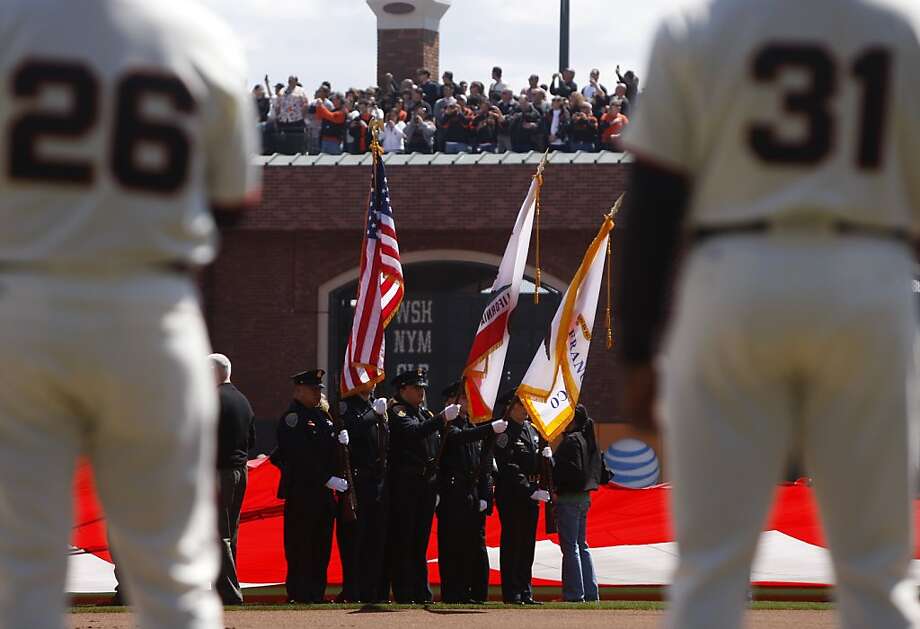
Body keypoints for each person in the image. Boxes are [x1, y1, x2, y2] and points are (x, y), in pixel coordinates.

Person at [616, 2, 920, 628]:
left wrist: (639, 355)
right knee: (877, 571)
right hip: (868, 267)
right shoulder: (894, 31)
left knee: (711, 570)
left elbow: (651, 205)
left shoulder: (693, 30)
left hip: (736, 269)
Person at [0, 1, 259, 628]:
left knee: (21, 564)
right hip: (150, 303)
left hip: (29, 298)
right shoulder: (201, 33)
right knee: (172, 568)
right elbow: (234, 201)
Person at [273, 369, 350, 603]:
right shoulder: (293, 418)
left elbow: (326, 451)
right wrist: (325, 478)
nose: (318, 393)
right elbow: (299, 457)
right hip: (303, 493)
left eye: (319, 389)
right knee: (301, 546)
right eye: (313, 389)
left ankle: (316, 593)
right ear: (299, 390)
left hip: (324, 495)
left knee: (321, 547)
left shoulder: (322, 416)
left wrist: (340, 441)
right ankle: (300, 594)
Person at [386, 369, 460, 604]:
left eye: (423, 388)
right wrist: (441, 419)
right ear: (403, 389)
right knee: (405, 539)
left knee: (420, 541)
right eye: (417, 388)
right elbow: (412, 433)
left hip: (425, 485)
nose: (421, 392)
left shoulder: (424, 413)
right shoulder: (398, 411)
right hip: (405, 484)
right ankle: (405, 592)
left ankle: (421, 592)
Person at [436, 381, 507, 603]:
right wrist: (488, 429)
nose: (468, 402)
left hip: (470, 492)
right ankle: (452, 592)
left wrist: (485, 494)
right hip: (452, 492)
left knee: (469, 545)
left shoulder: (469, 424)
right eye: (464, 398)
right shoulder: (448, 424)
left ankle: (469, 591)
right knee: (452, 545)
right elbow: (457, 438)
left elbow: (481, 461)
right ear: (452, 402)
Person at [493, 390, 552, 605]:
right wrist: (528, 489)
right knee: (513, 543)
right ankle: (512, 592)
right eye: (522, 405)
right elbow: (507, 465)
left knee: (527, 545)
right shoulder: (504, 430)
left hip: (531, 493)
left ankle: (526, 591)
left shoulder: (532, 429)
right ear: (511, 406)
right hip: (513, 494)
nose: (527, 410)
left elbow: (536, 461)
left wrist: (547, 460)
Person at [335, 387, 390, 603]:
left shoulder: (376, 406)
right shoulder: (347, 406)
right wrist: (372, 416)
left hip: (378, 481)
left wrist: (378, 417)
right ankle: (352, 589)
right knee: (354, 540)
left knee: (375, 541)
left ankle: (371, 590)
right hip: (357, 482)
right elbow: (351, 431)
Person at [209, 354, 256, 605]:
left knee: (217, 534)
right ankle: (227, 587)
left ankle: (229, 592)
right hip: (240, 471)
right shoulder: (243, 400)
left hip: (219, 472)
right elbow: (252, 440)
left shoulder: (211, 400)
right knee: (230, 532)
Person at [552, 405, 606, 602]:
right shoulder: (587, 439)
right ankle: (590, 593)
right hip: (584, 499)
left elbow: (570, 471)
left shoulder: (571, 441)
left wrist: (557, 485)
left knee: (570, 547)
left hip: (569, 499)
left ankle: (574, 594)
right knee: (581, 545)